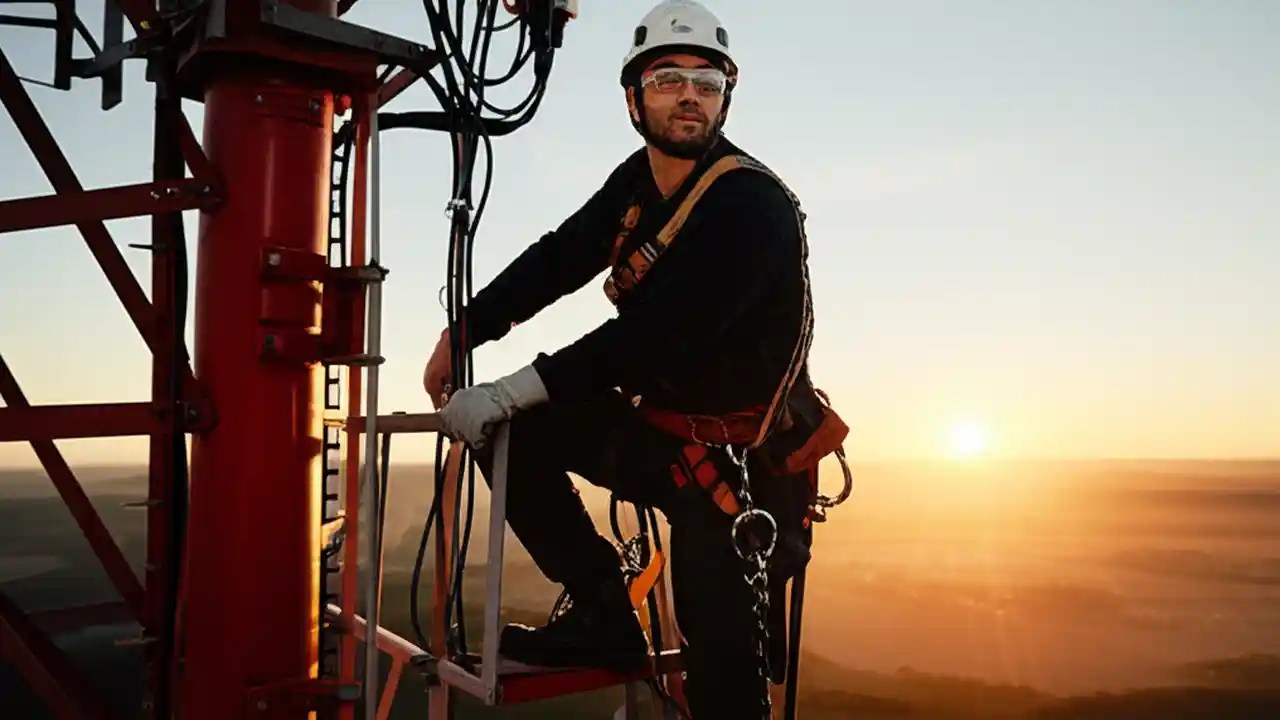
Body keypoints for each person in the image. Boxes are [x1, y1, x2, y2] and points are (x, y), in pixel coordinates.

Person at [425, 1, 844, 715]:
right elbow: (562, 255)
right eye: (668, 78)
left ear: (724, 100)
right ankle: (604, 619)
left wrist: (504, 387)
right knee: (518, 432)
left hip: (741, 476)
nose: (689, 95)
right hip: (668, 441)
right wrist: (465, 328)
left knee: (722, 688)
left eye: (706, 83)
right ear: (633, 97)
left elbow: (654, 337)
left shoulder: (750, 206)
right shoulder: (640, 183)